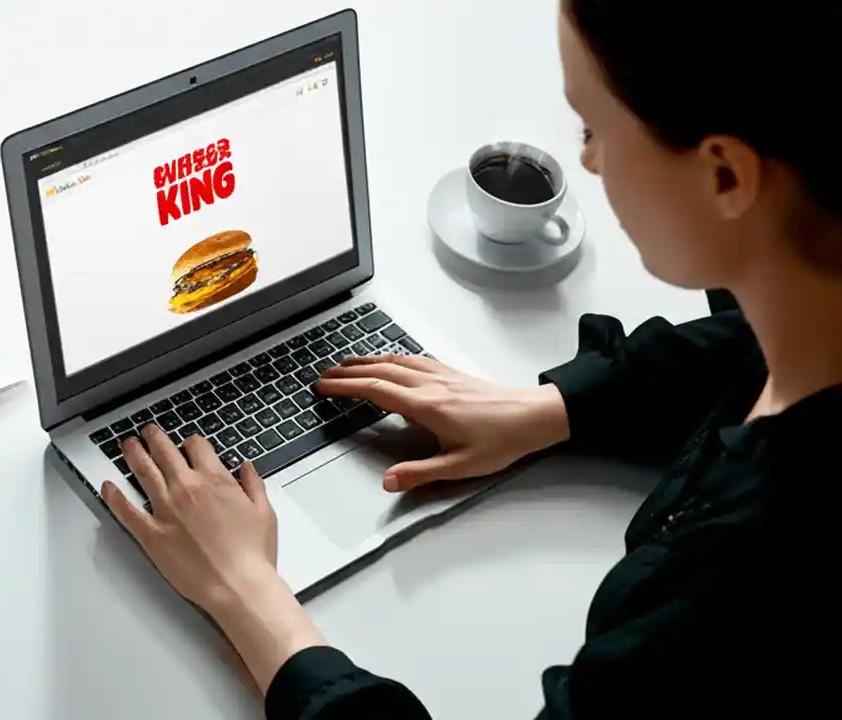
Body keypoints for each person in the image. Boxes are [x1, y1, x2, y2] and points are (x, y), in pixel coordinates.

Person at [98, 1, 842, 717]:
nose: (583, 159)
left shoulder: (730, 595)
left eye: (593, 127)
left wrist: (247, 592)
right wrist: (557, 407)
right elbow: (750, 350)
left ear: (726, 177)